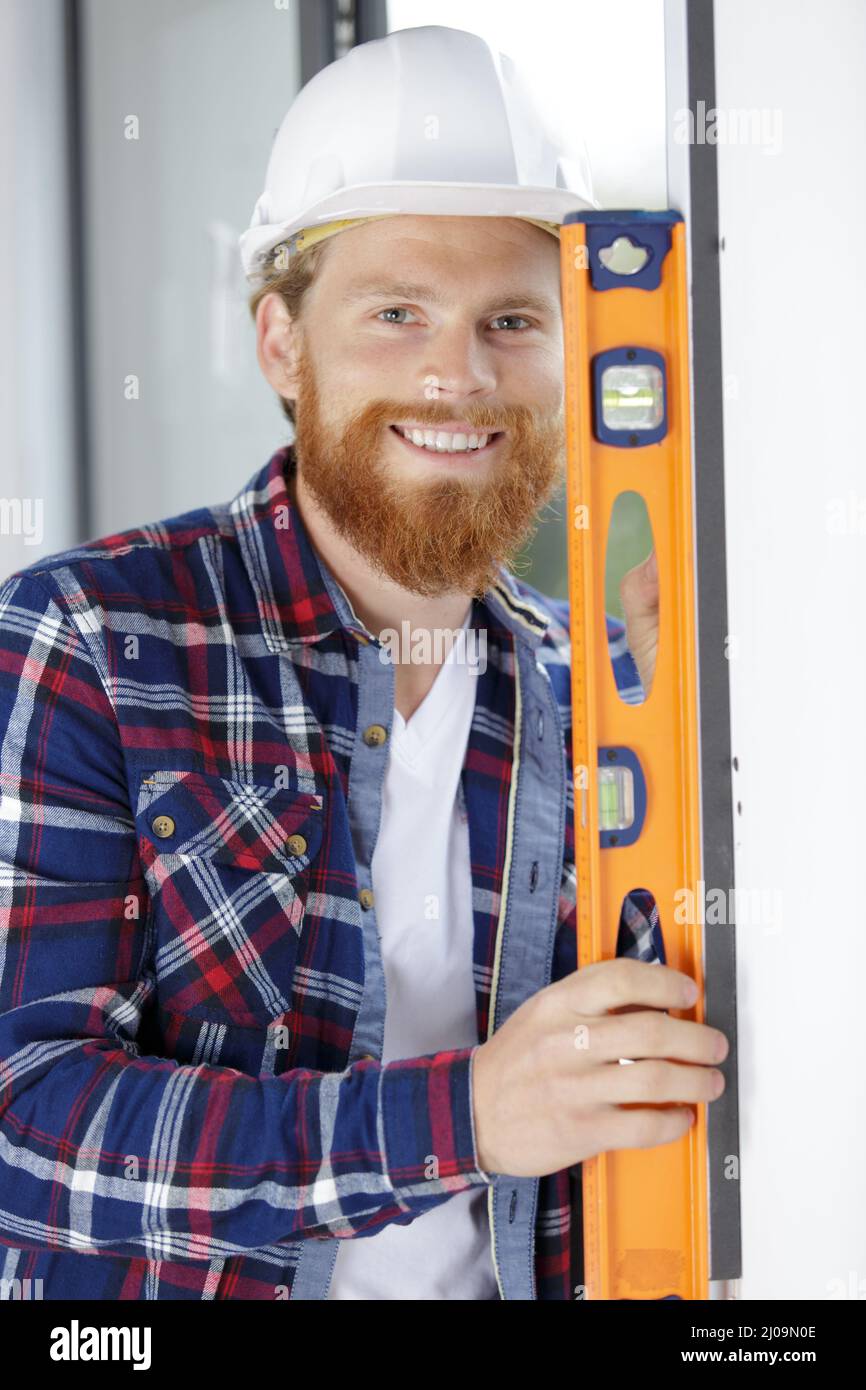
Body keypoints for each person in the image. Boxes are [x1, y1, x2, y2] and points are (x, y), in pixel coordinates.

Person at [0, 25, 726, 1302]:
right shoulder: (91, 638)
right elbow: (27, 1124)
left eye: (512, 319)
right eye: (397, 313)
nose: (458, 374)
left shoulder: (594, 693)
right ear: (281, 342)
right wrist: (466, 1117)